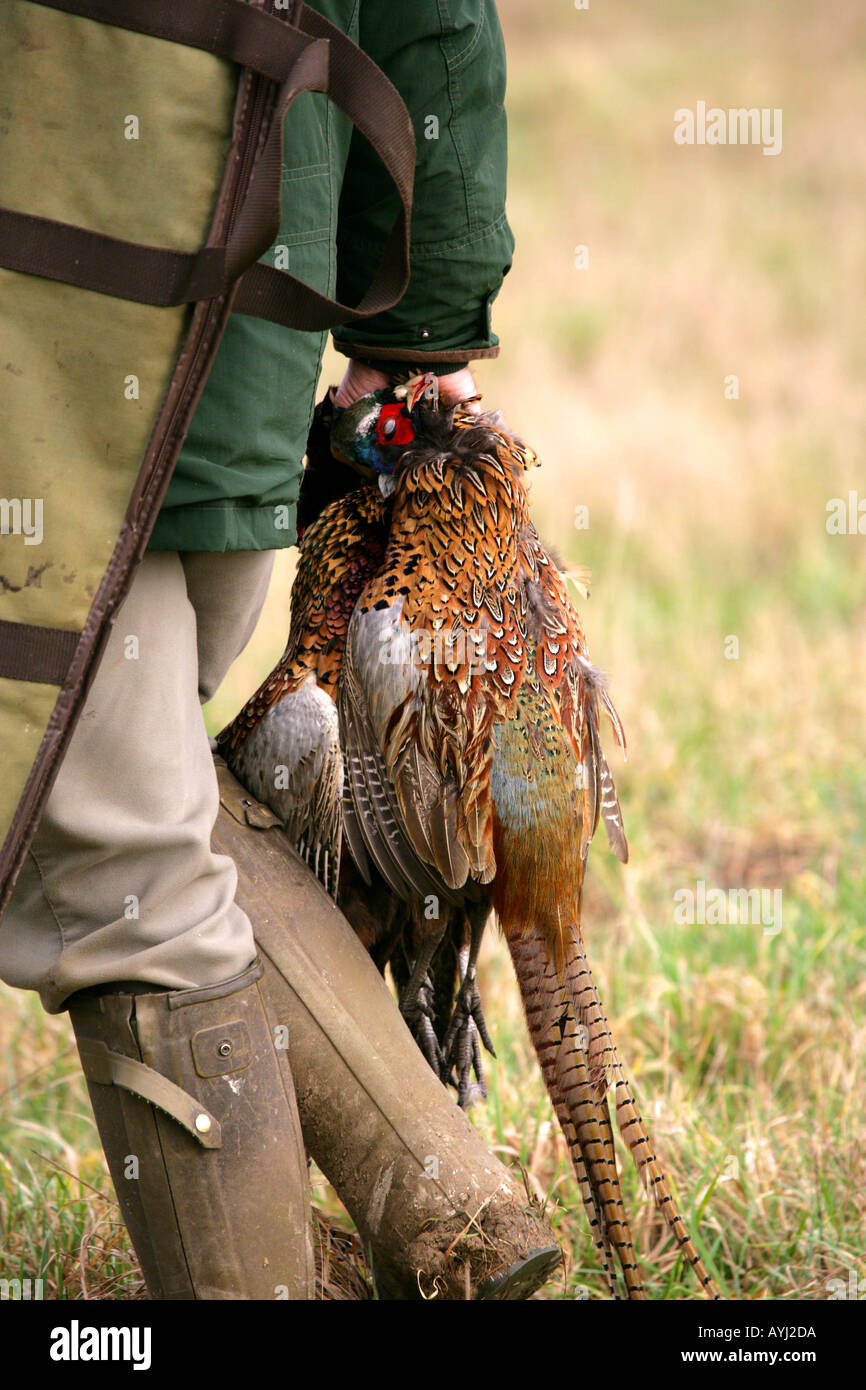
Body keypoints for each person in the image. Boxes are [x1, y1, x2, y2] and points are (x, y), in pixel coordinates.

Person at [0, 0, 560, 1300]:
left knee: (118, 862)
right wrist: (415, 326)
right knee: (125, 791)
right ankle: (450, 1207)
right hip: (239, 324)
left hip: (66, 326)